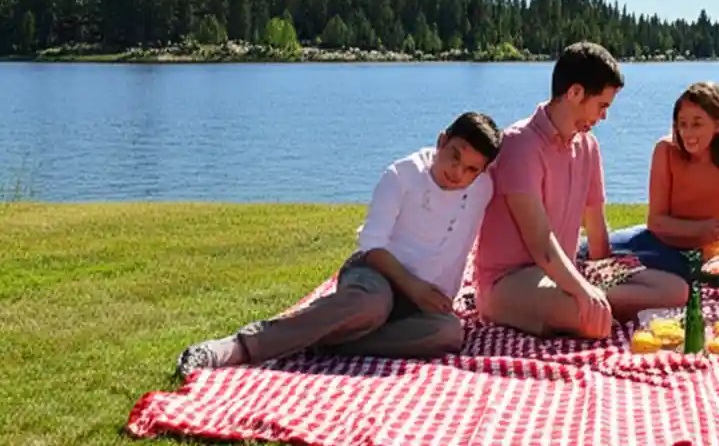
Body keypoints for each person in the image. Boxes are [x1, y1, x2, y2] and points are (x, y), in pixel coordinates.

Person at [174, 111, 504, 378]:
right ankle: (236, 347)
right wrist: (414, 287)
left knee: (448, 334)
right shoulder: (402, 175)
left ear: (482, 171)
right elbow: (371, 245)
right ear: (442, 140)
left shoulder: (483, 188)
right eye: (454, 156)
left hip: (422, 303)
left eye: (471, 168)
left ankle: (323, 340)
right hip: (375, 276)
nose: (457, 172)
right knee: (370, 306)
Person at [473, 41, 688, 339]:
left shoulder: (588, 147)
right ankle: (590, 307)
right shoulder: (520, 144)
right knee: (591, 320)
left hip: (562, 272)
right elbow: (541, 244)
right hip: (509, 281)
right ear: (575, 93)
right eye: (602, 106)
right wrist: (584, 290)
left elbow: (597, 229)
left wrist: (605, 276)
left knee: (676, 290)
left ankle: (593, 305)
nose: (604, 117)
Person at [591, 81, 719, 281]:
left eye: (697, 124)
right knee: (587, 252)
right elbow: (656, 222)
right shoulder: (665, 150)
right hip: (655, 243)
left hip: (708, 257)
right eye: (682, 124)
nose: (687, 133)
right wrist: (702, 229)